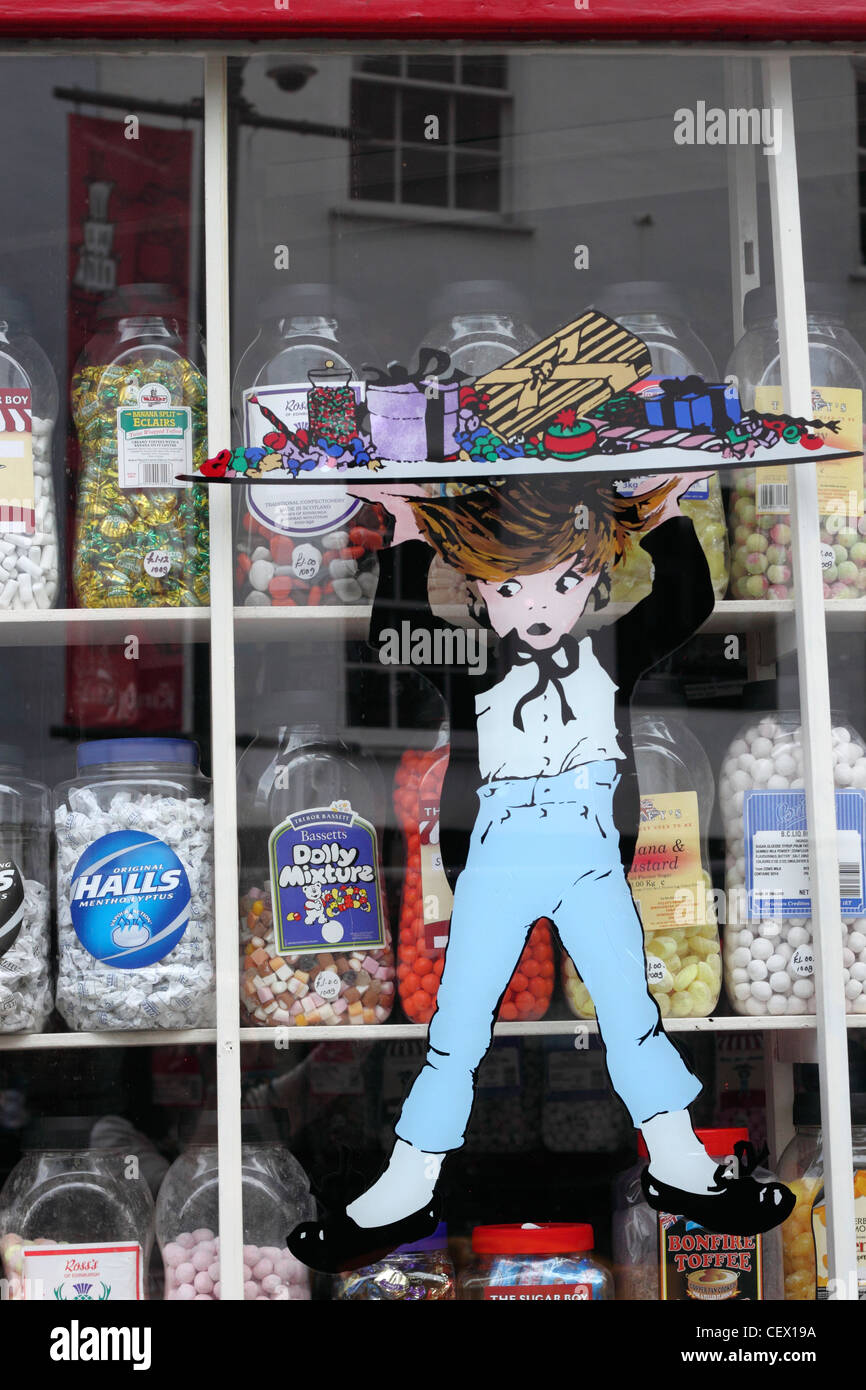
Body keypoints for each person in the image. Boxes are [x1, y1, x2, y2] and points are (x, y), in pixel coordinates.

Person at [289, 470, 794, 1272]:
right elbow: (396, 633)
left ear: (591, 582)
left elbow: (685, 602)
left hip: (590, 861)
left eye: (562, 584)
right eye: (511, 588)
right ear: (480, 591)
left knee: (630, 1012)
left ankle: (678, 1161)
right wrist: (408, 533)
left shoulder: (611, 654)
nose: (537, 608)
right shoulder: (471, 664)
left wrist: (664, 515)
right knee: (456, 1031)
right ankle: (406, 1185)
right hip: (496, 862)